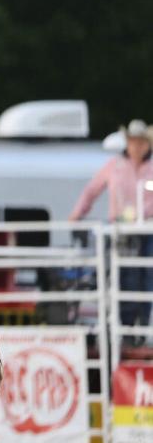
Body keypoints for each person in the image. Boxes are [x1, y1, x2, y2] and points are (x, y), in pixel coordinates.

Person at [70, 119, 153, 336]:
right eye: (134, 142)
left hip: (147, 232)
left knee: (146, 276)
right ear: (128, 142)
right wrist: (76, 215)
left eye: (141, 142)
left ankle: (142, 326)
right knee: (121, 276)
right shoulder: (114, 166)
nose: (137, 146)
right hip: (120, 232)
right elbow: (91, 190)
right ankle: (124, 327)